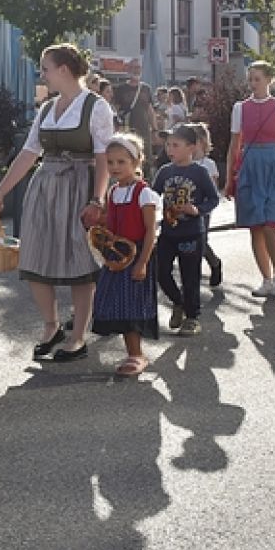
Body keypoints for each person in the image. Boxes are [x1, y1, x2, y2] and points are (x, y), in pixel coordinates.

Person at [0, 44, 114, 362]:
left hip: (79, 186)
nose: (41, 73)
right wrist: (0, 192)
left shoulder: (96, 107)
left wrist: (97, 199)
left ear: (64, 71)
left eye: (45, 68)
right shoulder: (46, 108)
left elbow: (103, 159)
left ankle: (78, 336)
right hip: (44, 188)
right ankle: (51, 325)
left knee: (80, 262)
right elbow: (29, 153)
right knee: (34, 257)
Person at [225, 61, 275, 298]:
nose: (252, 84)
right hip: (250, 164)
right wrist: (229, 177)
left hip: (273, 163)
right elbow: (234, 144)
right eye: (250, 79)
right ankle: (266, 278)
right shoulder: (240, 108)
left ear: (269, 79)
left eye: (257, 79)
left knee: (270, 223)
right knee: (255, 227)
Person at [91, 133, 160, 376]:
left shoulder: (144, 193)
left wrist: (142, 262)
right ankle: (130, 351)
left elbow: (151, 230)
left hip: (137, 253)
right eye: (110, 162)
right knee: (115, 303)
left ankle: (136, 354)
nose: (115, 167)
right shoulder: (113, 192)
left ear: (136, 162)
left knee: (132, 306)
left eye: (121, 162)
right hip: (116, 255)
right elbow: (111, 223)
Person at [153, 124, 220, 336]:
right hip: (168, 232)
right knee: (160, 271)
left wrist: (197, 209)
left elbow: (213, 198)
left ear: (191, 147)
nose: (170, 150)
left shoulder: (199, 172)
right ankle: (178, 302)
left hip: (191, 232)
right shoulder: (165, 172)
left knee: (189, 276)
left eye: (175, 145)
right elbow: (152, 196)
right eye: (168, 145)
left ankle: (192, 317)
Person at [189, 122, 224, 288]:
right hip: (186, 208)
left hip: (203, 209)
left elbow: (213, 189)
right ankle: (189, 278)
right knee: (188, 241)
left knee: (200, 241)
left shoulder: (208, 164)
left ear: (201, 142)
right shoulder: (184, 163)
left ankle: (214, 263)